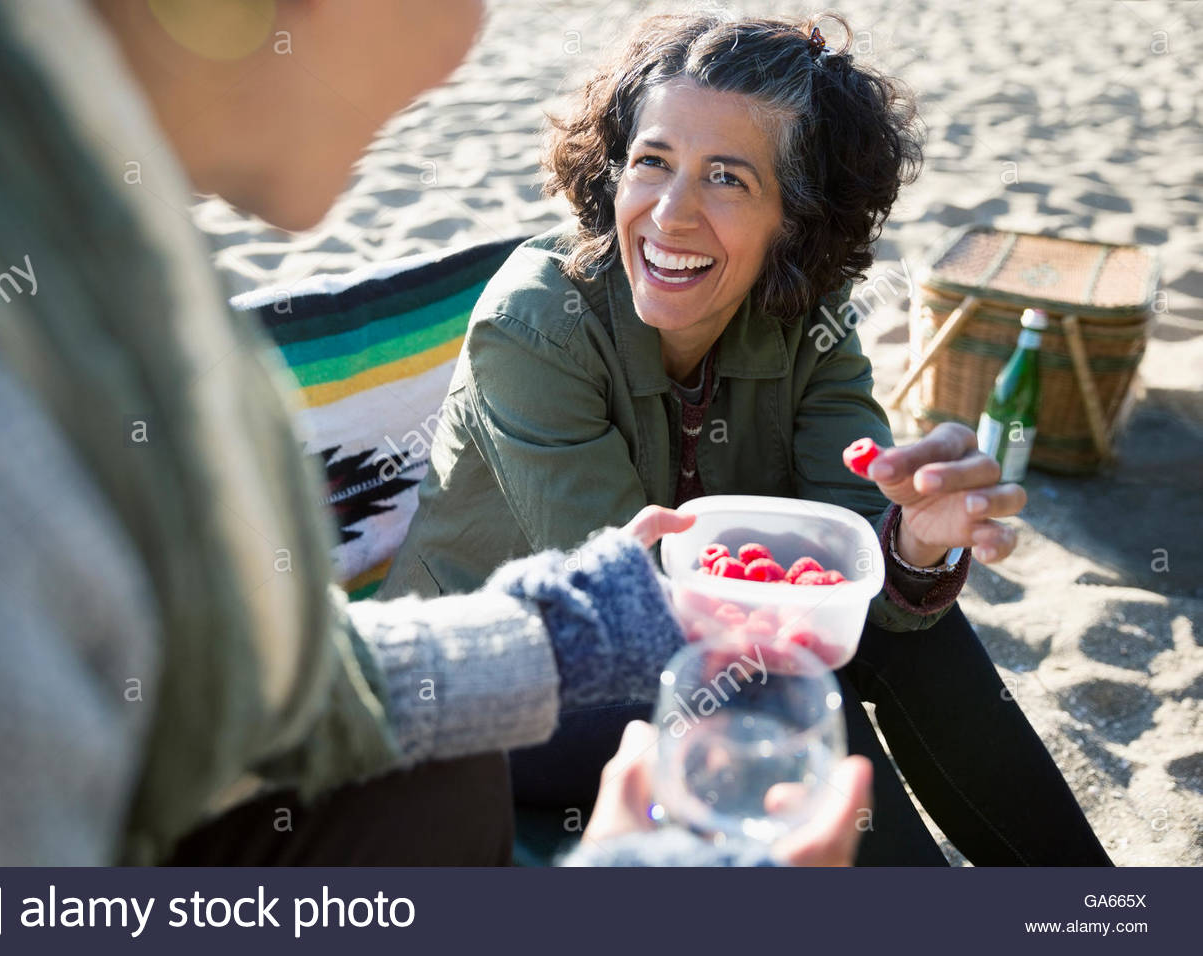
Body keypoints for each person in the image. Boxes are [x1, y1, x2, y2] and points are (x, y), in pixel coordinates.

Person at [0, 0, 866, 868]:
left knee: (427, 769)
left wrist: (566, 633)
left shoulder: (70, 241)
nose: (459, 49)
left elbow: (284, 704)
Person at [382, 12, 1113, 866]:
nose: (671, 213)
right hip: (502, 689)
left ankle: (1099, 909)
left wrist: (910, 547)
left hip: (691, 646)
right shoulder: (536, 325)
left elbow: (854, 560)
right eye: (651, 161)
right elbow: (623, 600)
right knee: (794, 687)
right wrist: (811, 619)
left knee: (917, 635)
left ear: (795, 221)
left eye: (726, 178)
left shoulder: (812, 324)